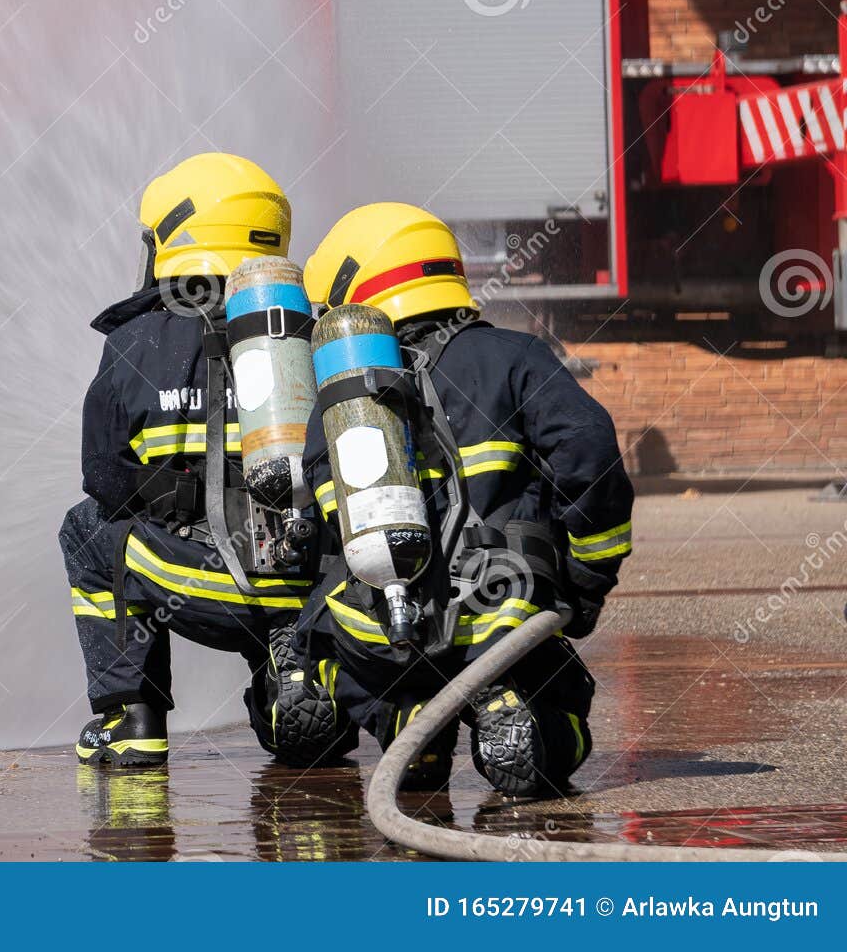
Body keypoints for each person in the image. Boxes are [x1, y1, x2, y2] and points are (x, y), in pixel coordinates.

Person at [297, 202, 634, 797]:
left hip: (382, 631)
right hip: (501, 611)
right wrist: (585, 578)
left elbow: (325, 520)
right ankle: (517, 714)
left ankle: (407, 721)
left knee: (328, 625)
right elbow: (590, 456)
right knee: (556, 704)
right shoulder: (513, 356)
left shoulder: (338, 399)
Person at [61, 153, 355, 768]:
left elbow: (103, 475)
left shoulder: (135, 339)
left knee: (87, 531)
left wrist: (171, 498)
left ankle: (131, 719)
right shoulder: (315, 330)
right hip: (309, 583)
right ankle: (296, 673)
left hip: (202, 587)